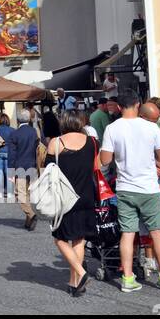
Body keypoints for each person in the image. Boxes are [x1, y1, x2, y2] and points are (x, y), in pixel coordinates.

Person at [100, 93, 160, 293]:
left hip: (125, 188)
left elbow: (105, 160)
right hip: (149, 188)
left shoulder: (112, 128)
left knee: (127, 233)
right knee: (157, 232)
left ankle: (127, 278)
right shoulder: (151, 127)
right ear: (138, 104)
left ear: (118, 106)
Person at [46, 113, 99, 297]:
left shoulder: (56, 142)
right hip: (86, 195)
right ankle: (74, 283)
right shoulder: (92, 142)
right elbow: (96, 168)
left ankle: (81, 272)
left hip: (64, 198)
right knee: (79, 240)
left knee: (60, 238)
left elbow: (47, 170)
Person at [8, 111, 40, 229]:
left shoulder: (14, 134)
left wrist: (11, 171)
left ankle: (31, 215)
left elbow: (12, 154)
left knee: (20, 195)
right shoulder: (34, 132)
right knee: (28, 194)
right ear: (29, 119)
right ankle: (28, 221)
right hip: (32, 165)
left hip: (20, 167)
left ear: (18, 120)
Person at [0, 114, 13, 200]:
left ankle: (0, 193)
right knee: (9, 173)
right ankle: (9, 193)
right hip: (9, 152)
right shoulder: (12, 130)